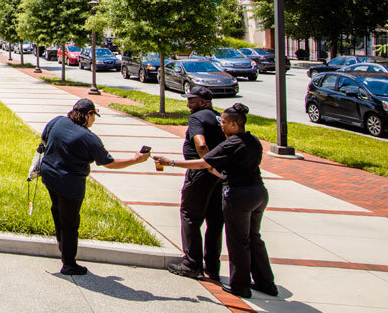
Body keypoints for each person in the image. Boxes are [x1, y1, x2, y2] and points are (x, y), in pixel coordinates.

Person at [155, 103, 277, 299]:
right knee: (254, 237)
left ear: (235, 125)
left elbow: (203, 162)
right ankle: (266, 282)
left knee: (238, 240)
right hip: (259, 193)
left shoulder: (232, 143)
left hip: (239, 195)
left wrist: (170, 162)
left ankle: (240, 285)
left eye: (225, 123)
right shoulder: (254, 140)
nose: (221, 125)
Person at [39, 98, 150, 275]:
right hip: (70, 185)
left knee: (57, 210)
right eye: (94, 116)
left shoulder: (57, 121)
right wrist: (136, 160)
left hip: (49, 176)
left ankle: (62, 244)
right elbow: (110, 163)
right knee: (70, 223)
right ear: (88, 114)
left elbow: (44, 140)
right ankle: (68, 263)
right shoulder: (88, 138)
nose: (94, 120)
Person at [167, 86, 226, 280]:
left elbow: (200, 144)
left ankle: (192, 263)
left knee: (190, 215)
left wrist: (207, 165)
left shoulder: (197, 118)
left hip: (201, 173)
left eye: (192, 101)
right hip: (219, 175)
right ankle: (212, 265)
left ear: (203, 102)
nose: (188, 104)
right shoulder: (219, 118)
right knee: (215, 220)